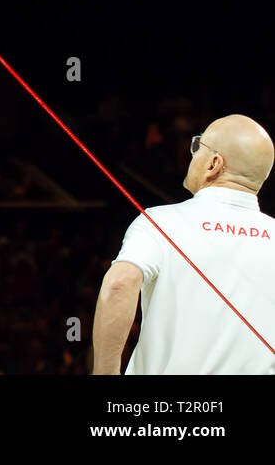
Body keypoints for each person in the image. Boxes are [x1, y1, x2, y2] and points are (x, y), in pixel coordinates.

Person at [92, 114, 275, 373]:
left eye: (199, 146)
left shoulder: (159, 222)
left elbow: (119, 285)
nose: (192, 154)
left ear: (214, 163)